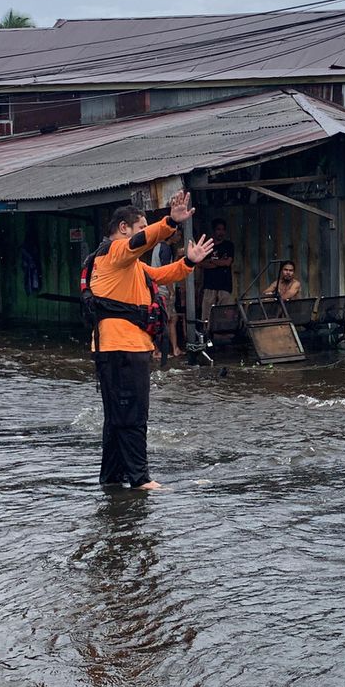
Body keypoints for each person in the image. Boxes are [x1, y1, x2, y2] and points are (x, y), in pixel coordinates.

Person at [87, 192, 214, 490]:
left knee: (118, 416)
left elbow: (160, 274)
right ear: (123, 228)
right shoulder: (113, 253)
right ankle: (140, 479)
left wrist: (189, 262)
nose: (145, 233)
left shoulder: (131, 266)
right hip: (121, 348)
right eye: (140, 227)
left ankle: (112, 477)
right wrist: (169, 222)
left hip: (120, 348)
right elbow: (138, 242)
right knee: (132, 414)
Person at [199, 219, 236, 324]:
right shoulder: (208, 246)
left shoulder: (229, 245)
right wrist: (218, 262)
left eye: (223, 230)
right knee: (207, 315)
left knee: (224, 314)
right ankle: (206, 336)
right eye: (218, 229)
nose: (221, 232)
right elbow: (201, 264)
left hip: (225, 286)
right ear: (214, 231)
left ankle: (223, 337)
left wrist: (211, 261)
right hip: (209, 285)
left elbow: (227, 262)